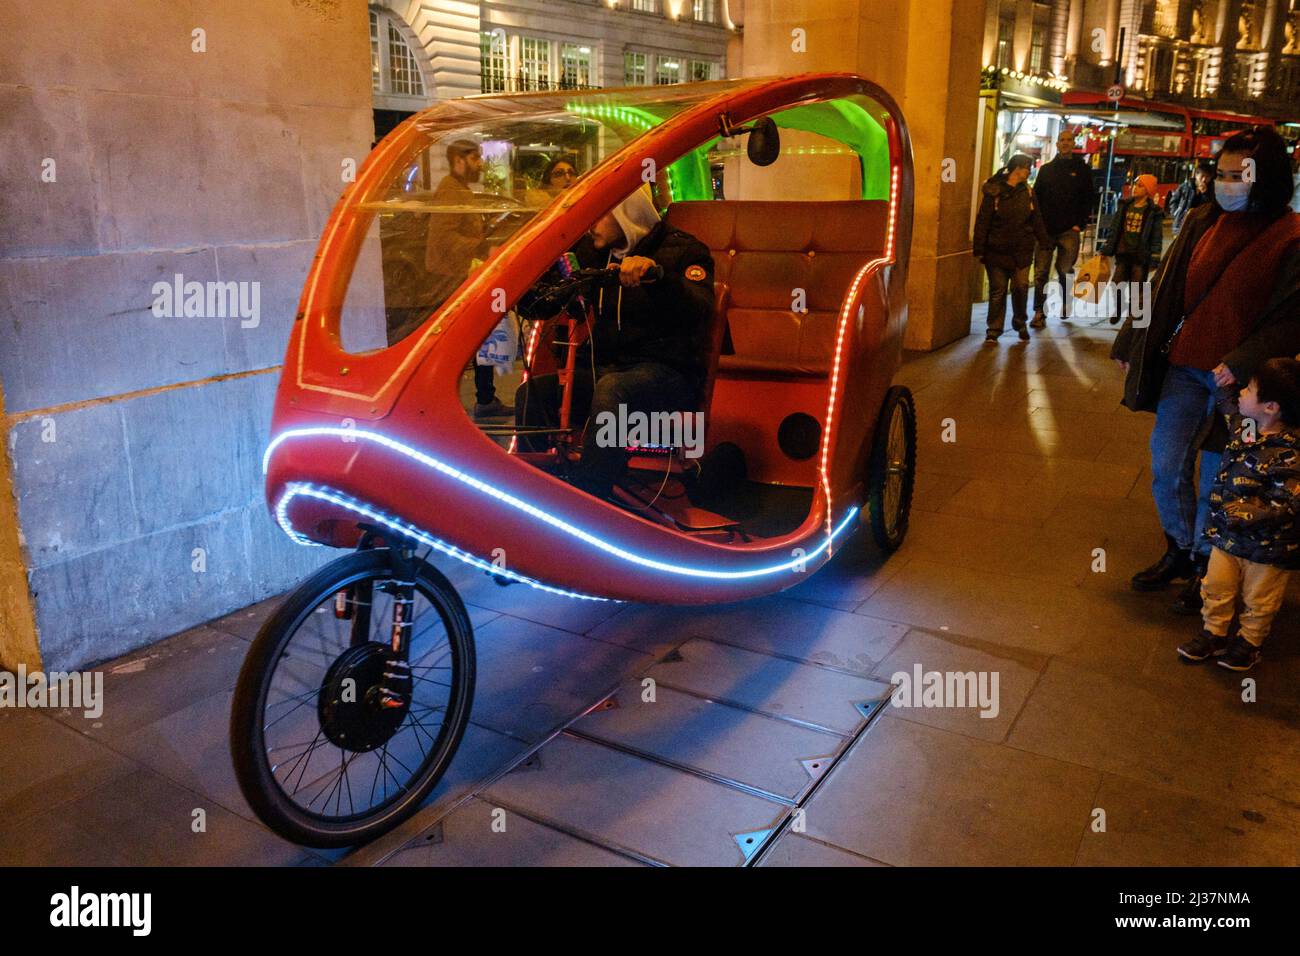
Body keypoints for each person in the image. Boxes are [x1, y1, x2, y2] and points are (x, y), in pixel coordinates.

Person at [1111, 126, 1300, 613]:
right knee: (1167, 464)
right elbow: (1164, 287)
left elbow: (1291, 319)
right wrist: (1131, 338)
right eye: (1222, 173)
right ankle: (1179, 548)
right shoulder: (1201, 221)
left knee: (1221, 477)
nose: (1228, 183)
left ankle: (1205, 564)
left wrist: (1238, 362)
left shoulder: (1291, 236)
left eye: (1241, 175)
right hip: (1183, 368)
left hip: (1240, 388)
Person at [514, 186, 714, 498]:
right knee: (533, 394)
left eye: (601, 213)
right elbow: (546, 302)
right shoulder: (592, 252)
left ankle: (590, 499)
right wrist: (515, 282)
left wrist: (658, 278)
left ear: (626, 213)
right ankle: (534, 494)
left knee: (613, 390)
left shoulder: (683, 250)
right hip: (606, 371)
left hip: (667, 376)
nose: (591, 222)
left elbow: (698, 309)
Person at [1176, 358, 1300, 671]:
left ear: (1270, 407)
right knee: (1216, 585)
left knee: (1260, 599)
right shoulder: (1248, 428)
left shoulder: (1291, 453)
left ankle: (1249, 642)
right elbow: (1232, 410)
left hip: (1268, 549)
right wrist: (1223, 388)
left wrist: (1243, 514)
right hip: (1227, 536)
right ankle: (1214, 632)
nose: (1242, 392)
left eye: (1249, 389)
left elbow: (1287, 503)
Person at [424, 139, 514, 420]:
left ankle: (484, 399)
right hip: (449, 279)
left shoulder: (460, 189)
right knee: (458, 342)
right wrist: (480, 246)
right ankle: (438, 402)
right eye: (475, 159)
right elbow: (444, 238)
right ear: (458, 161)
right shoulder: (451, 191)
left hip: (460, 275)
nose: (480, 165)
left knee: (477, 338)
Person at [973, 154, 1050, 344]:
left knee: (1021, 288)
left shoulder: (1029, 193)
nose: (1029, 171)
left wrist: (1044, 241)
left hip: (1021, 251)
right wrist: (979, 248)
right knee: (998, 290)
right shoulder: (995, 191)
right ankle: (994, 329)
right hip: (996, 250)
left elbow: (1037, 219)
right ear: (1017, 168)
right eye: (1027, 167)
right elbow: (984, 220)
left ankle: (1019, 322)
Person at [1031, 127, 1095, 326]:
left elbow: (1089, 198)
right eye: (1062, 139)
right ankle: (1039, 311)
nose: (1065, 142)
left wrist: (1080, 224)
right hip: (1046, 231)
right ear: (1057, 144)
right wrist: (1037, 225)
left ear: (1073, 143)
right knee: (1041, 272)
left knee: (1065, 270)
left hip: (1069, 229)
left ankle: (1066, 303)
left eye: (1069, 139)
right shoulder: (1047, 170)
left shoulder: (1082, 169)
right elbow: (1036, 197)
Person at [1099, 173, 1165, 324]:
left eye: (1140, 185)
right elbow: (1114, 229)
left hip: (1140, 256)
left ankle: (1135, 314)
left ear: (1148, 190)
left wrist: (1155, 258)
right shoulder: (1124, 205)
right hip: (1123, 253)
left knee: (1138, 287)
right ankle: (1120, 307)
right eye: (1135, 184)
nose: (1135, 188)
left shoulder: (1154, 212)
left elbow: (1156, 237)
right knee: (1116, 283)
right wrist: (1106, 249)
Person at [1168, 163, 1213, 234]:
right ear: (1196, 175)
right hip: (1181, 225)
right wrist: (1176, 213)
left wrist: (1205, 193)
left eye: (1207, 177)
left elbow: (1210, 207)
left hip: (1197, 228)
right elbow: (1173, 201)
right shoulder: (1185, 187)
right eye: (1202, 176)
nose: (1204, 179)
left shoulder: (1211, 191)